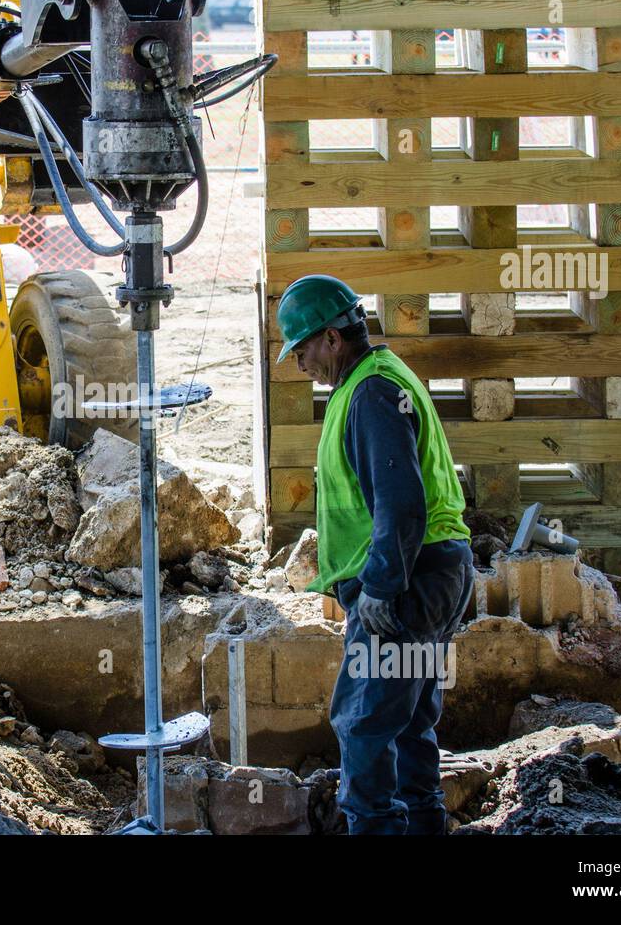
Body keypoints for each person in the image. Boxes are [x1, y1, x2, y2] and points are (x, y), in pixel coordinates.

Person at [276, 274, 474, 835]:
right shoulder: (382, 378)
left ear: (333, 338)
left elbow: (401, 501)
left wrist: (383, 589)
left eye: (304, 348)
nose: (300, 363)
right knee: (409, 720)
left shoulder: (370, 395)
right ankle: (424, 824)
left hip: (406, 585)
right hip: (434, 574)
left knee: (364, 723)